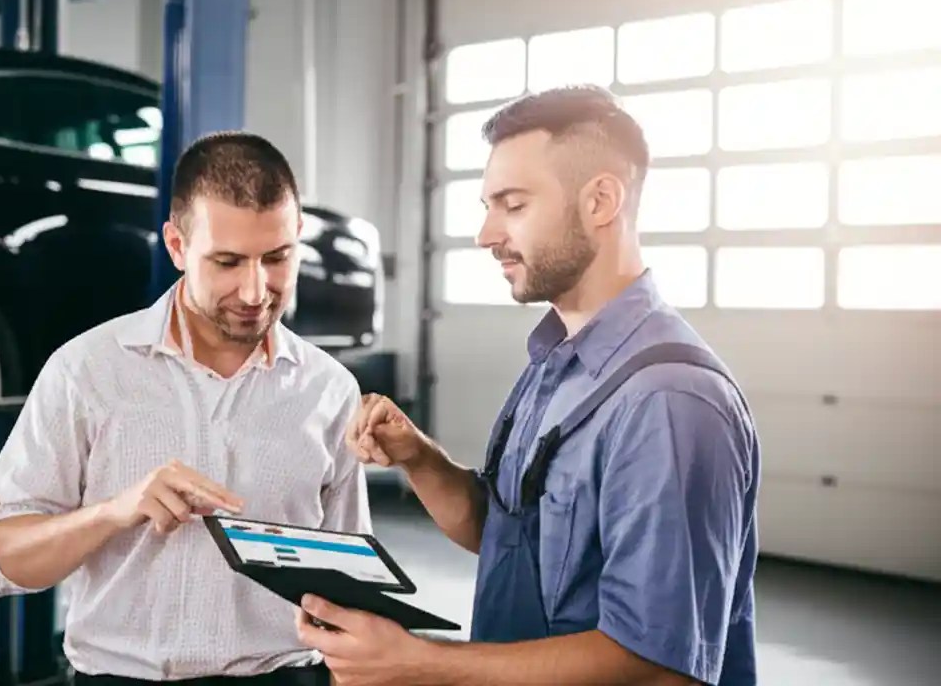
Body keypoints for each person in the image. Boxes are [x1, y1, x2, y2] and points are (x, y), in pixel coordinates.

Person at [296, 86, 760, 686]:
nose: (486, 234)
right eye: (488, 206)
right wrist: (420, 458)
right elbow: (507, 537)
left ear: (600, 201)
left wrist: (422, 664)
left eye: (512, 205)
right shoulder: (556, 362)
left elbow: (656, 667)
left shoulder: (669, 402)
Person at [0, 131, 370, 685]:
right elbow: (0, 559)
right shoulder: (88, 371)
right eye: (227, 262)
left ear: (297, 237)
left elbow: (346, 593)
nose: (256, 291)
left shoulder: (330, 390)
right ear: (177, 246)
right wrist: (115, 511)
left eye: (277, 258)